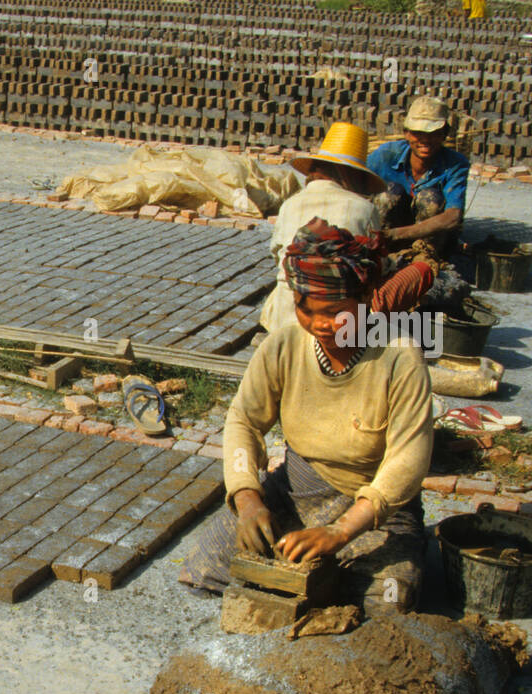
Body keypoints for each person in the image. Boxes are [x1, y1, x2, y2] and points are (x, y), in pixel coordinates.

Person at [180, 219, 434, 614]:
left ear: (366, 297)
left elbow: (408, 461)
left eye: (334, 312)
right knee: (207, 564)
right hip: (294, 494)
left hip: (376, 517)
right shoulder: (283, 346)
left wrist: (341, 530)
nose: (318, 324)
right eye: (304, 307)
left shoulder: (399, 356)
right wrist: (248, 499)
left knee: (386, 601)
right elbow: (243, 422)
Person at [259, 122, 385, 334]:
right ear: (350, 175)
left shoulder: (290, 204)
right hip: (338, 320)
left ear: (317, 170)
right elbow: (374, 266)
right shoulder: (365, 209)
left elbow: (277, 255)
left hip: (285, 316)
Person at [367, 97, 471, 257]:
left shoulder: (456, 163)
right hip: (386, 238)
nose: (426, 140)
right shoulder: (385, 155)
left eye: (434, 133)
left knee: (429, 198)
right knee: (389, 193)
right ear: (406, 133)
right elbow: (355, 187)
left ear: (445, 134)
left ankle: (422, 256)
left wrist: (395, 234)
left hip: (429, 239)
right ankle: (382, 253)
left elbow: (453, 216)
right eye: (418, 133)